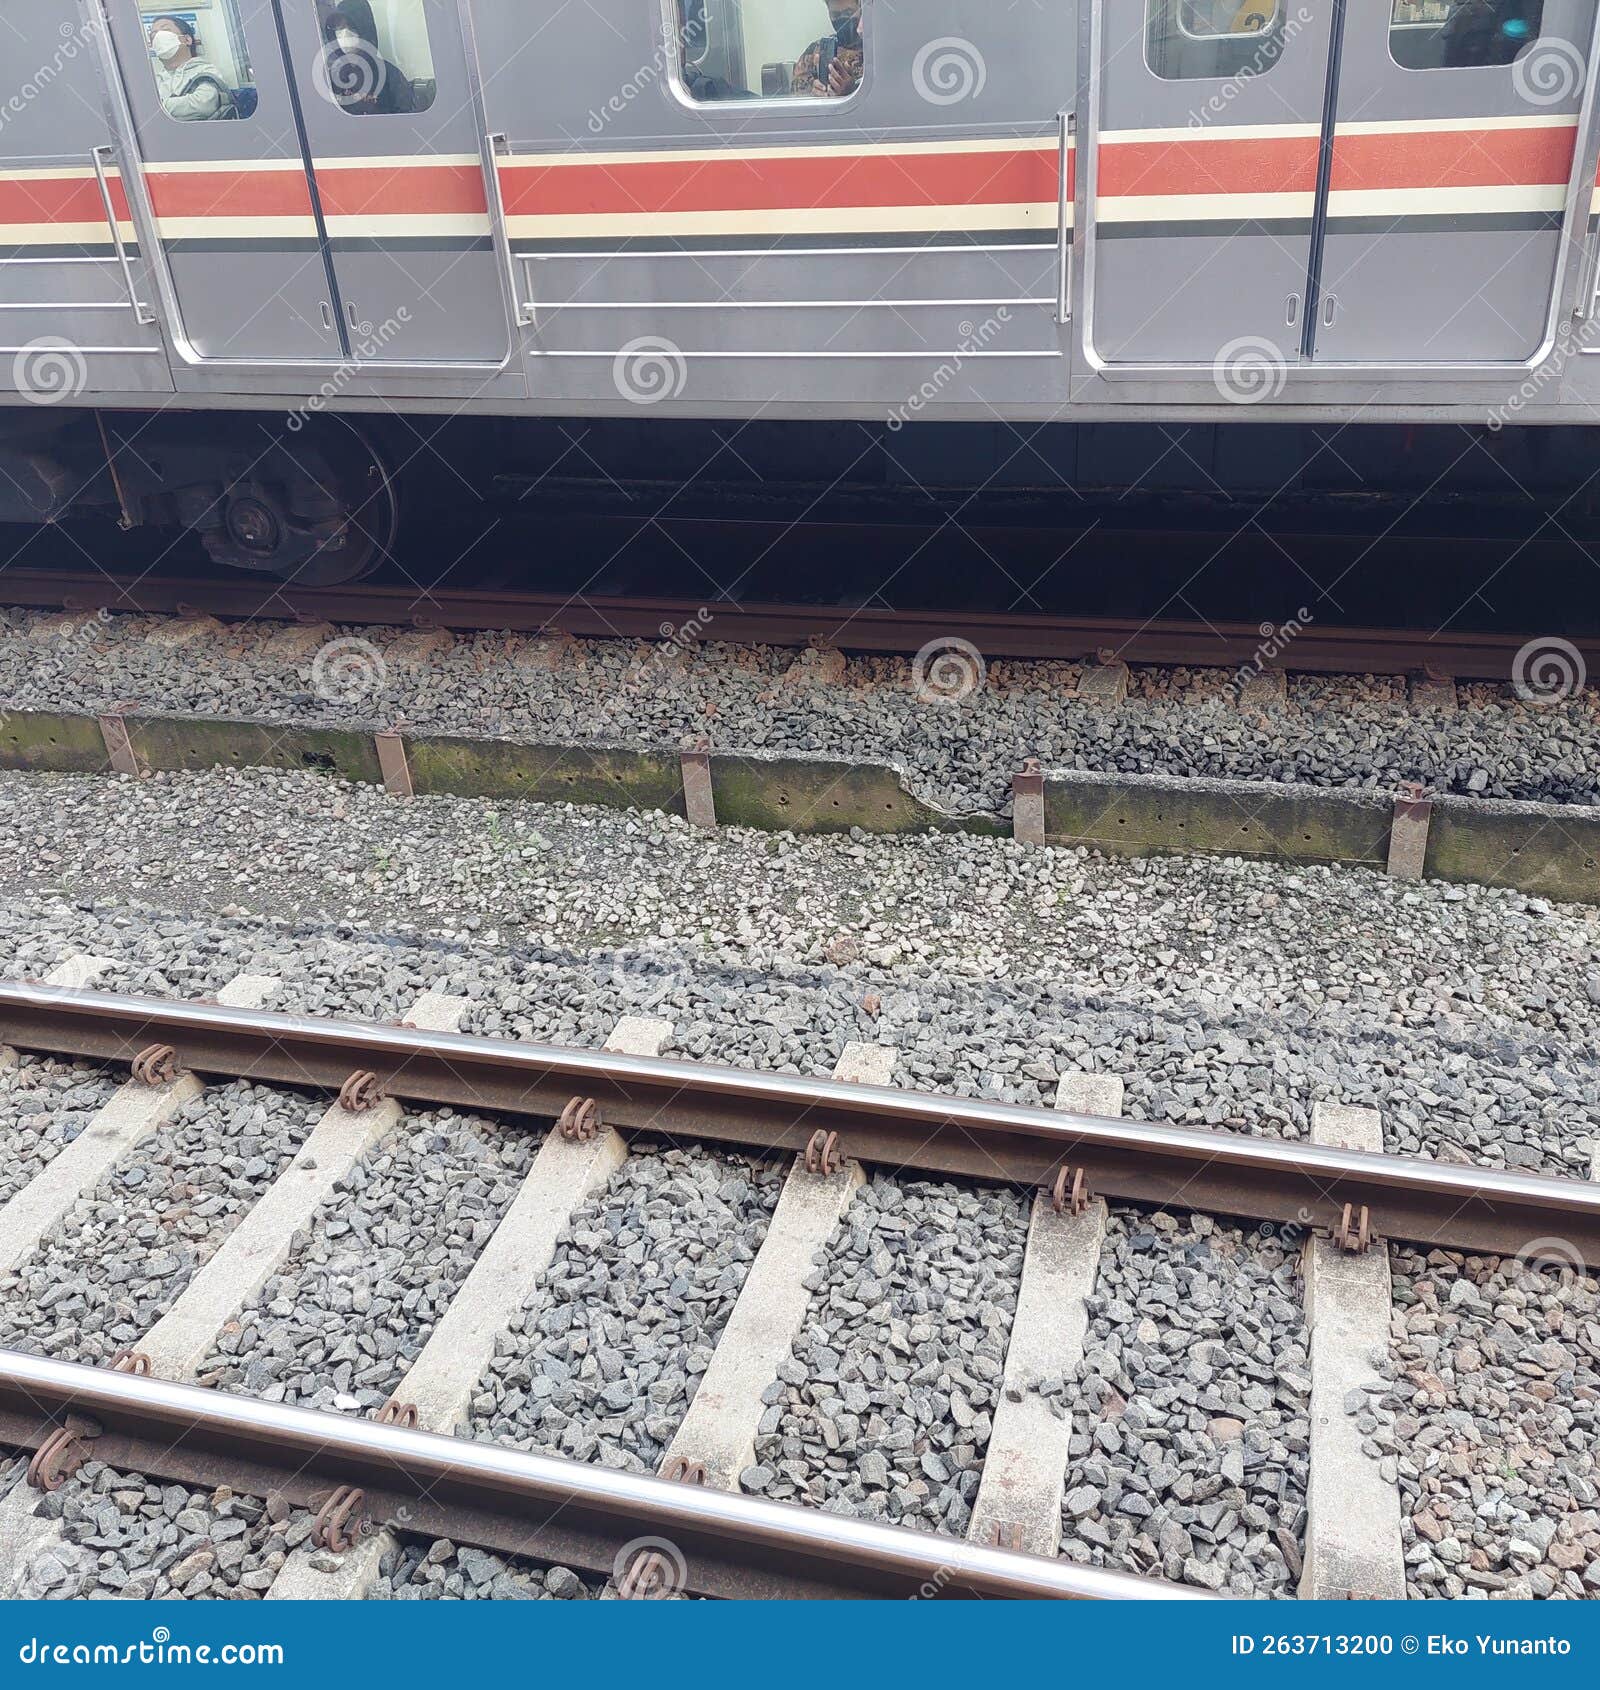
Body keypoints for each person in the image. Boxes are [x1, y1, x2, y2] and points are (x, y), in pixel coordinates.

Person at [320, 5, 417, 115]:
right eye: (339, 28)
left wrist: (372, 111)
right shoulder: (330, 78)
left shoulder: (390, 75)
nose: (345, 34)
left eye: (351, 27)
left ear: (365, 30)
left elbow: (407, 120)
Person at [147, 15, 232, 120]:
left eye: (166, 30)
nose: (158, 37)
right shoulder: (153, 81)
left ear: (187, 40)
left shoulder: (206, 71)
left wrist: (157, 106)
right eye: (153, 35)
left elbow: (203, 105)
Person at [792, 0, 864, 98]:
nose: (842, 19)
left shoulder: (875, 50)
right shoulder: (815, 51)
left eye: (848, 13)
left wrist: (853, 93)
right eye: (835, 15)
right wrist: (814, 95)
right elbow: (795, 101)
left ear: (861, 10)